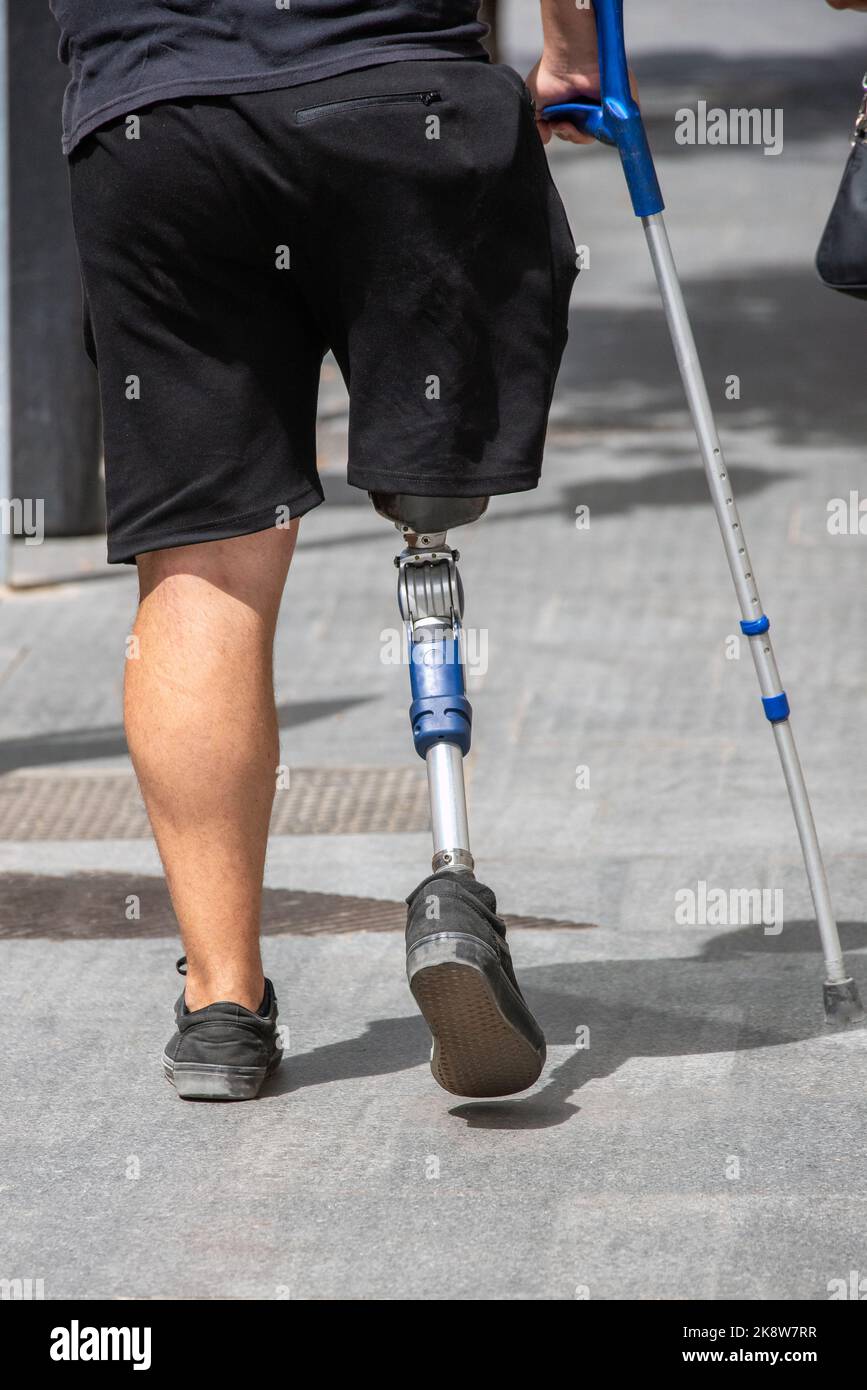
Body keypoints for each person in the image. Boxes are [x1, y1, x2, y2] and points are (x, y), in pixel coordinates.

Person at [50, 0, 600, 1101]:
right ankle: (450, 878)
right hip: (399, 98)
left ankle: (220, 1003)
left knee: (203, 566)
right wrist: (573, 56)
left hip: (161, 118)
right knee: (429, 502)